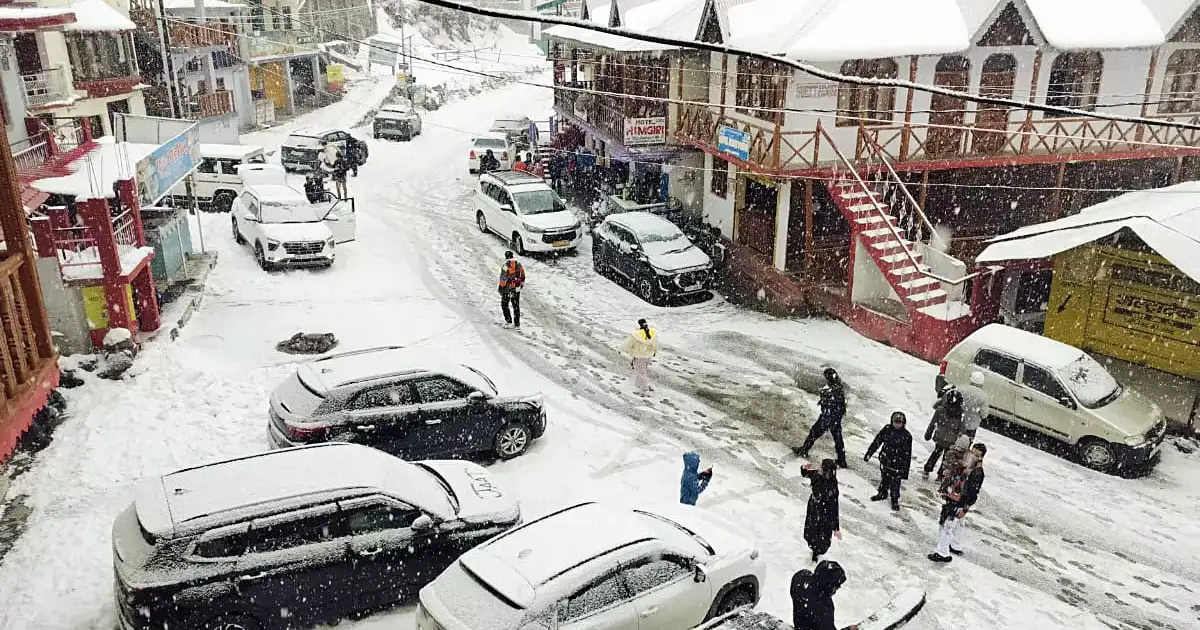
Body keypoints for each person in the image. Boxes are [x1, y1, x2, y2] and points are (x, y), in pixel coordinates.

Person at [929, 443, 987, 563]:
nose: (972, 454)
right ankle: (955, 545)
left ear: (981, 457)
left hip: (959, 501)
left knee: (946, 525)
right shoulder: (965, 465)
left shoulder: (976, 472)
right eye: (972, 451)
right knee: (957, 523)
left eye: (976, 454)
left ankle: (942, 553)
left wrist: (965, 508)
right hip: (955, 498)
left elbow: (973, 492)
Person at [795, 368, 848, 467]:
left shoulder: (830, 390)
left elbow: (827, 404)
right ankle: (842, 460)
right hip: (835, 418)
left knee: (814, 433)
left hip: (827, 418)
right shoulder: (838, 388)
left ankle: (804, 450)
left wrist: (826, 415)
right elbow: (841, 407)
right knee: (838, 439)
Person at [864, 411, 912, 511]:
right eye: (896, 422)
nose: (897, 424)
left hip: (897, 465)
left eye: (900, 422)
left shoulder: (906, 436)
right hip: (885, 461)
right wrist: (869, 453)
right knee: (884, 479)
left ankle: (894, 500)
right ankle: (882, 493)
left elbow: (907, 454)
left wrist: (905, 471)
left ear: (903, 423)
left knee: (895, 484)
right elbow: (877, 441)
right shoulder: (887, 429)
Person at [790, 561, 857, 630]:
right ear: (829, 586)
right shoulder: (824, 609)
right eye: (836, 586)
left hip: (800, 622)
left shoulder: (800, 578)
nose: (838, 587)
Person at [800, 459, 841, 562]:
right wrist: (804, 468)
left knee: (819, 535)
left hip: (823, 514)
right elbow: (806, 473)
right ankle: (815, 549)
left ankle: (816, 551)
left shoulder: (831, 487)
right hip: (815, 510)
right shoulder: (818, 476)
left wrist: (836, 527)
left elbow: (834, 507)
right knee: (812, 532)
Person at [923, 388, 964, 478]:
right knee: (946, 457)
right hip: (951, 439)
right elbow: (961, 428)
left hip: (940, 436)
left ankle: (927, 469)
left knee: (936, 453)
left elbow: (933, 423)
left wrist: (928, 433)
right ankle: (941, 474)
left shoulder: (941, 410)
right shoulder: (960, 414)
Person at [620, 319, 658, 393]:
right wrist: (654, 352)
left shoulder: (636, 334)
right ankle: (638, 384)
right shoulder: (652, 332)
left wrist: (621, 349)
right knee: (641, 371)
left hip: (639, 357)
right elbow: (655, 344)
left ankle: (645, 389)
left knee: (641, 373)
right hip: (648, 357)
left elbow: (628, 344)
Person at [498, 250, 525, 328]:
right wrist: (520, 285)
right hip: (516, 288)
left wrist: (501, 287)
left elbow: (503, 278)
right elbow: (523, 276)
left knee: (504, 304)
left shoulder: (505, 266)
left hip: (507, 288)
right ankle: (517, 323)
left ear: (506, 256)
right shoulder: (519, 265)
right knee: (516, 305)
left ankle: (508, 320)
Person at [960, 370, 989, 440]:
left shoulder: (962, 389)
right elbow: (984, 414)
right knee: (967, 442)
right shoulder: (983, 396)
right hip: (972, 425)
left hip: (958, 421)